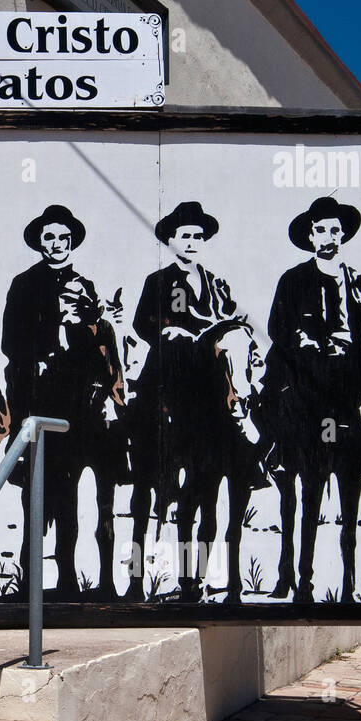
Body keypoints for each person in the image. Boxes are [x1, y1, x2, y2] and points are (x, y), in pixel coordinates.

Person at [264, 196, 361, 603]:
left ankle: (350, 586)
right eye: (321, 230)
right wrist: (306, 348)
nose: (329, 237)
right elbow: (276, 330)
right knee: (305, 493)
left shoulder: (355, 279)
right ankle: (302, 580)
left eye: (335, 230)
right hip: (307, 390)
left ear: (342, 235)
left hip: (343, 392)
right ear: (310, 235)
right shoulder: (293, 279)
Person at [2, 204, 125, 600]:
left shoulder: (86, 284)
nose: (58, 244)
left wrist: (96, 325)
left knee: (100, 479)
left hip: (83, 398)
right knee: (40, 492)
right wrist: (50, 335)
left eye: (64, 238)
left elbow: (101, 337)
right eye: (50, 237)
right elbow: (11, 344)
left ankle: (96, 582)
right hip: (43, 393)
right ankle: (32, 582)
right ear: (40, 241)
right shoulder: (24, 284)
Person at [127, 201, 237, 602]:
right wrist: (168, 330)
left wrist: (222, 328)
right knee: (146, 471)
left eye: (197, 236)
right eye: (184, 235)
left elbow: (227, 317)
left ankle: (197, 578)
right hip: (167, 379)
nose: (191, 242)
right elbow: (142, 322)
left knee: (210, 481)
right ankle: (139, 578)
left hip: (206, 385)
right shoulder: (158, 280)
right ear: (171, 240)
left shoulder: (214, 282)